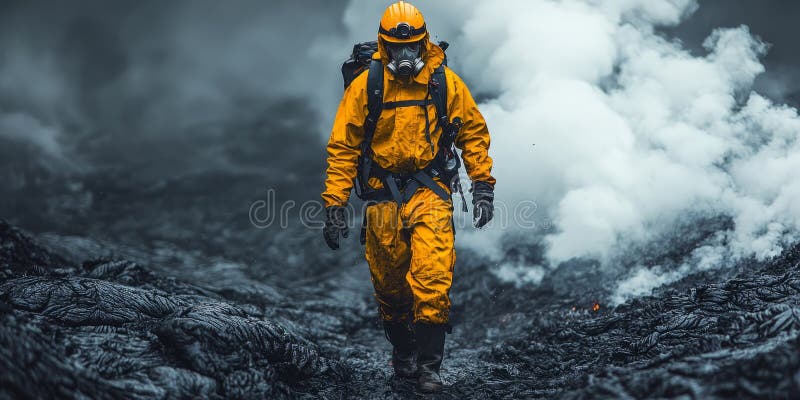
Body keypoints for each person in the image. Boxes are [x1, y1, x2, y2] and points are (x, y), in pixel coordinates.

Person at [321, 1, 495, 393]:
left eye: (413, 47)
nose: (405, 56)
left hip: (430, 192)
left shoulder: (444, 83)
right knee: (391, 288)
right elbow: (343, 147)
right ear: (384, 46)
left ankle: (430, 367)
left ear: (424, 43)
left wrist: (483, 185)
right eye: (397, 49)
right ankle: (403, 351)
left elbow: (472, 133)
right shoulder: (368, 85)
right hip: (382, 196)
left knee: (432, 280)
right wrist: (335, 205)